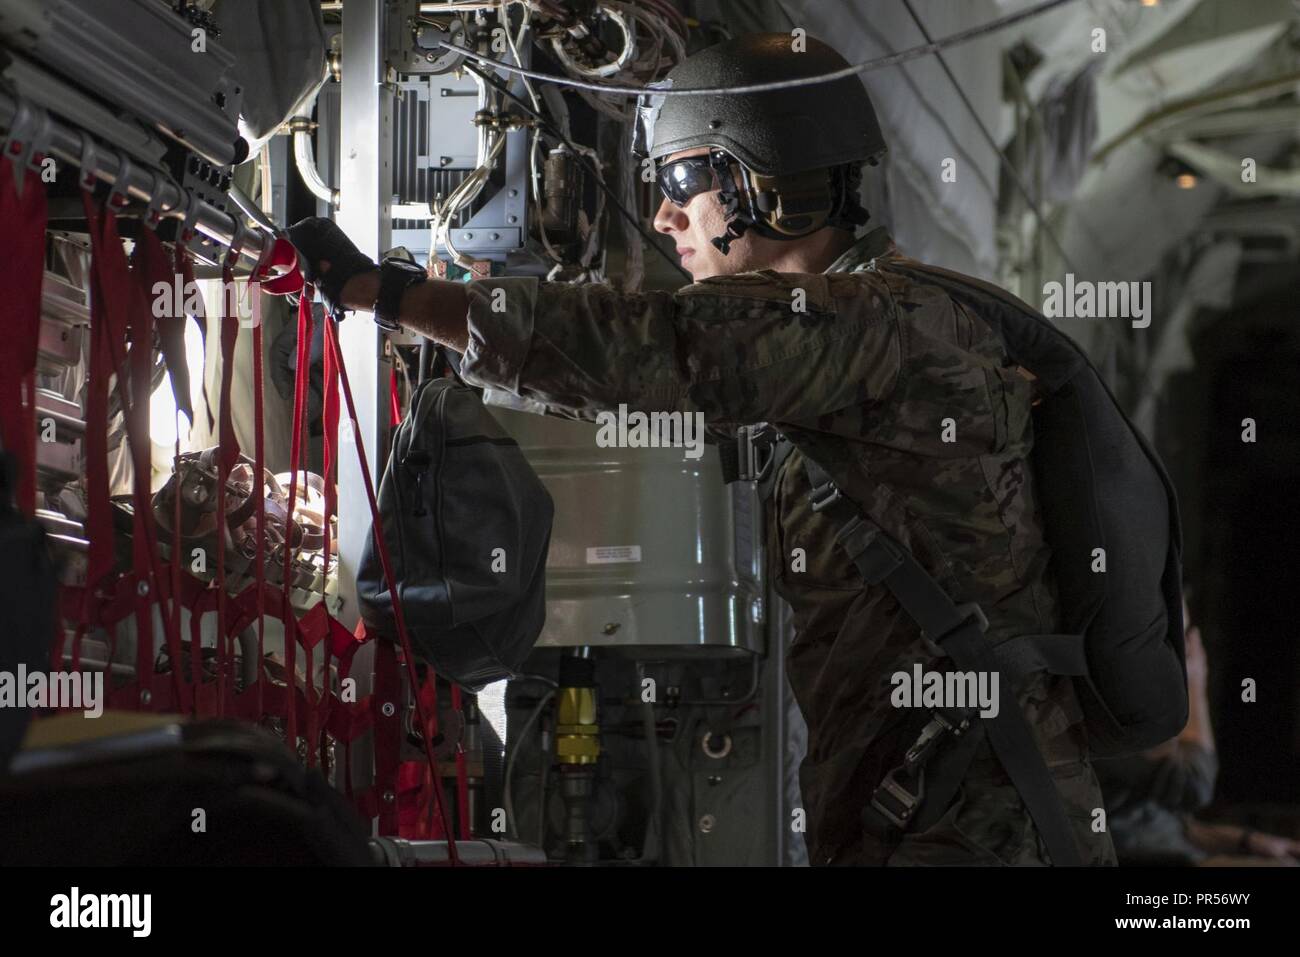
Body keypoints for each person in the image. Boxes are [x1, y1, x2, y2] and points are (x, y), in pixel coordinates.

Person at [282, 33, 1115, 866]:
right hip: (948, 804)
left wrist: (388, 294)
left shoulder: (879, 325)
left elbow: (663, 351)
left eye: (684, 181)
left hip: (974, 821)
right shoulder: (876, 329)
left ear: (770, 188)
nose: (663, 216)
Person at [1096, 599, 1300, 866]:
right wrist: (1195, 682)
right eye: (1181, 636)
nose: (1191, 647)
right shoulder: (1111, 710)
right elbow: (1195, 785)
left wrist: (1246, 840)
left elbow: (1169, 825)